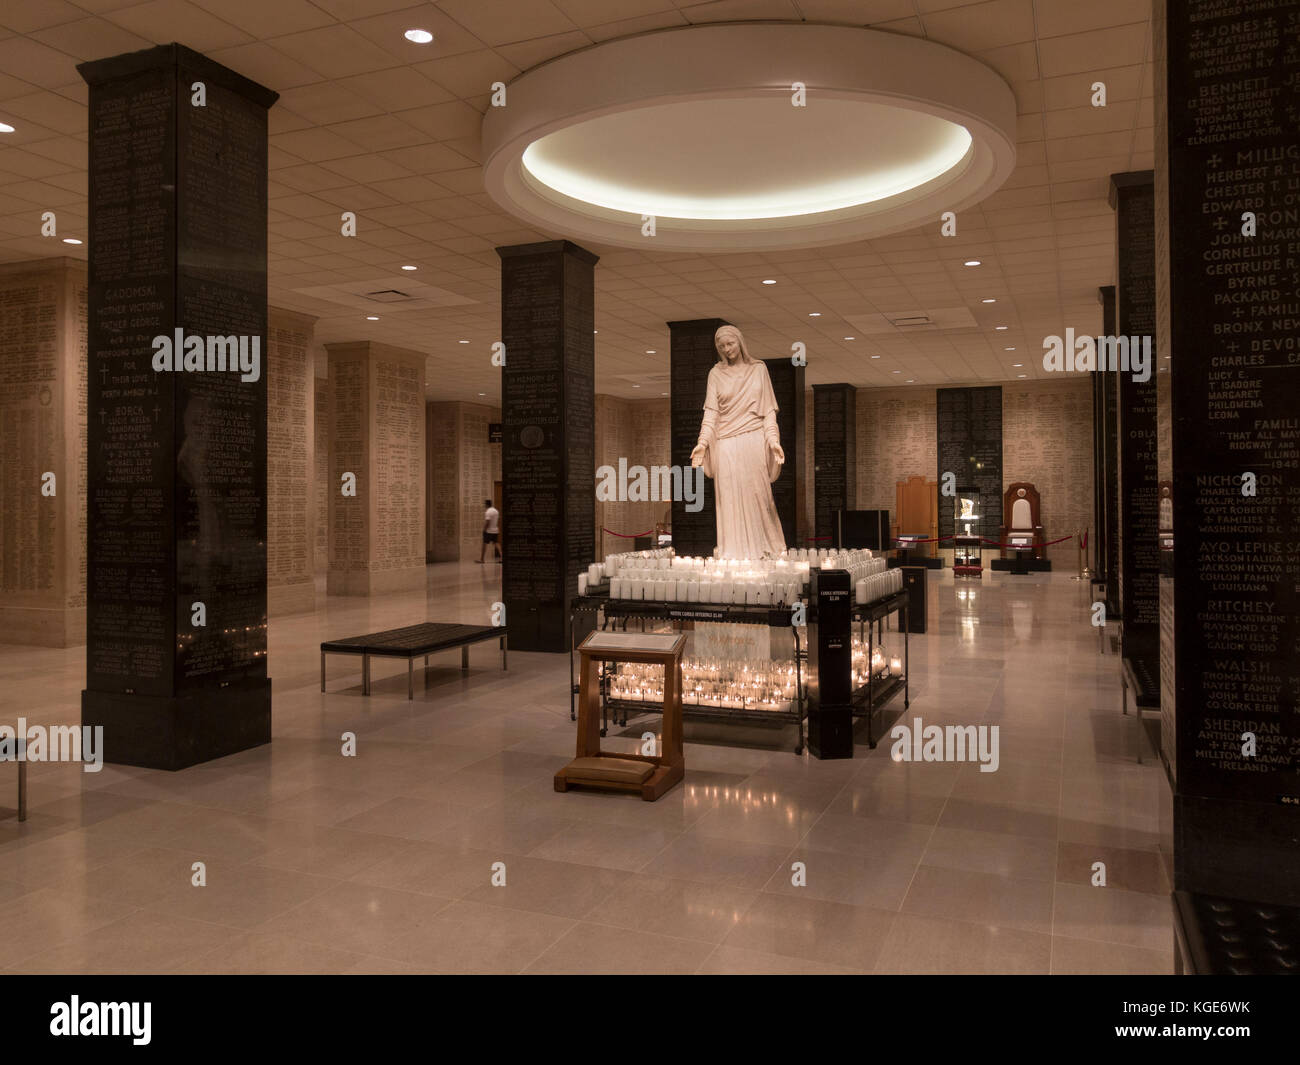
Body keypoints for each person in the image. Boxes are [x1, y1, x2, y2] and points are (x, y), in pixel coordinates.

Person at [690, 325, 786, 559]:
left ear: (740, 342)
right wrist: (702, 443)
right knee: (729, 501)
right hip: (725, 444)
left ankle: (766, 552)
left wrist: (773, 440)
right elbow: (711, 413)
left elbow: (768, 412)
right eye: (721, 346)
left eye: (730, 344)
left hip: (753, 439)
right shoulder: (716, 373)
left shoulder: (758, 369)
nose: (727, 349)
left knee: (759, 497)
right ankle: (733, 554)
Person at [478, 498, 501, 563]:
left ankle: (482, 559)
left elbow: (487, 522)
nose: (484, 505)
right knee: (496, 543)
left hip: (488, 531)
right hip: (495, 530)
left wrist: (484, 530)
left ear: (486, 505)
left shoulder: (488, 512)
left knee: (484, 544)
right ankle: (502, 558)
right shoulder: (496, 511)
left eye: (484, 504)